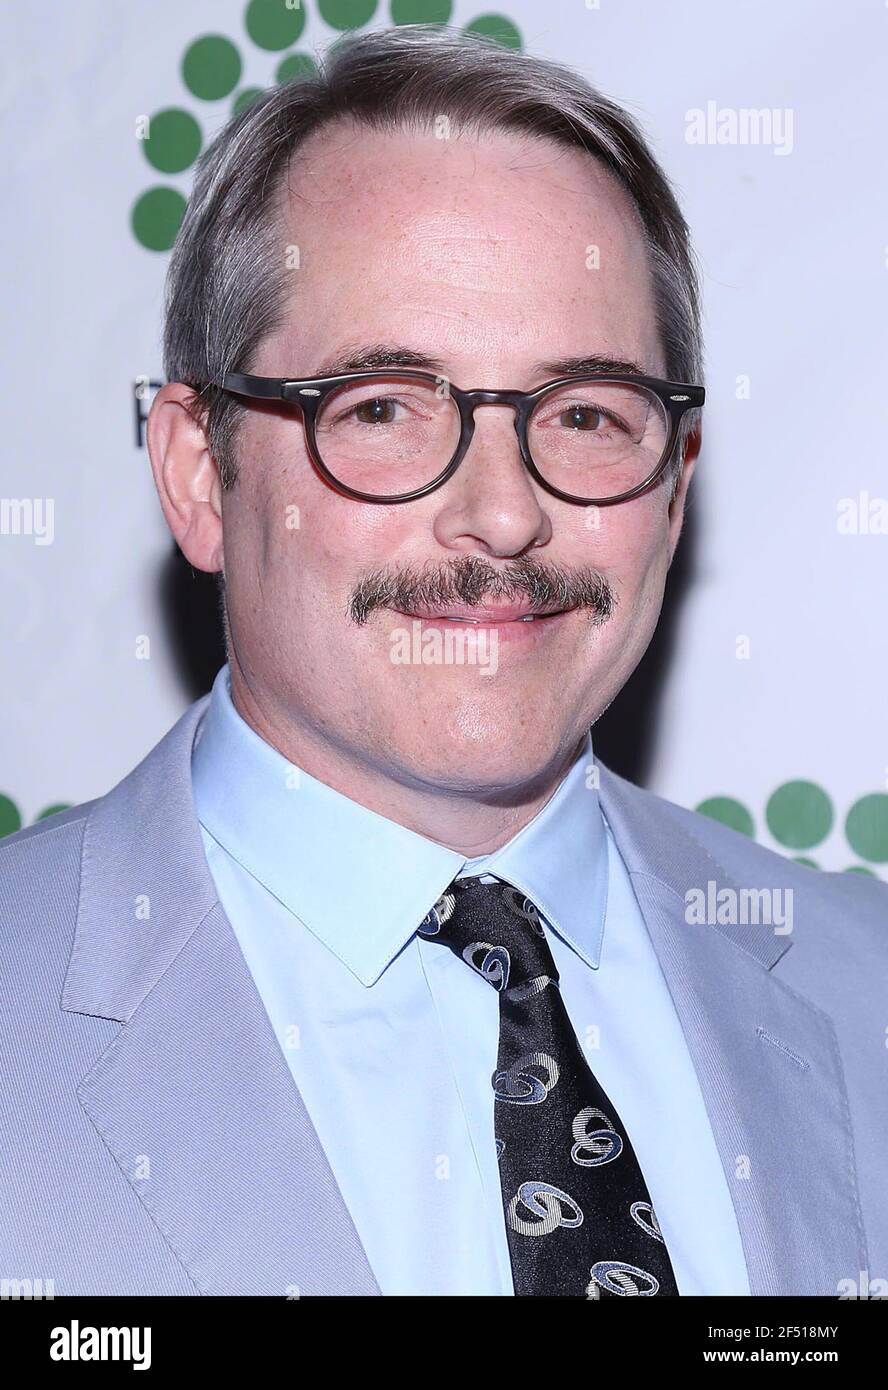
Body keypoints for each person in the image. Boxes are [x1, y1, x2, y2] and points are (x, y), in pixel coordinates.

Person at [2, 25, 885, 1299]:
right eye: (383, 409)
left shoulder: (868, 991)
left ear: (677, 490)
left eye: (584, 414)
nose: (503, 515)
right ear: (199, 471)